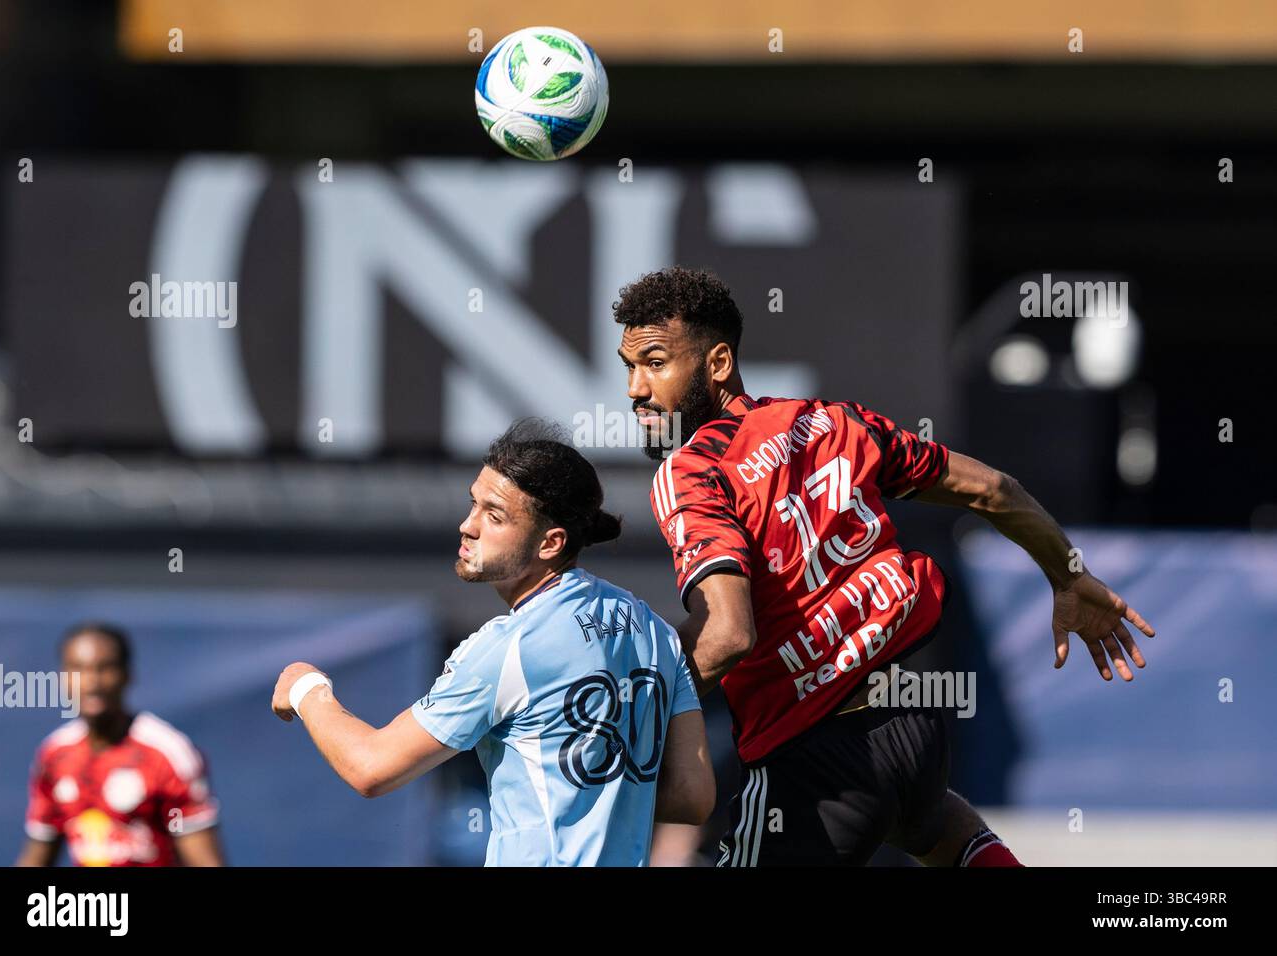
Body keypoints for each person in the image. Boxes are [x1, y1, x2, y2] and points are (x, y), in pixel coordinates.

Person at [613, 266, 1156, 867]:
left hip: (814, 757)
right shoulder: (835, 421)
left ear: (717, 364)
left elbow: (727, 634)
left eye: (655, 363)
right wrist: (1069, 576)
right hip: (915, 723)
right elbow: (994, 490)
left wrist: (628, 720)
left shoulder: (691, 471)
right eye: (629, 366)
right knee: (941, 828)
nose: (636, 387)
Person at [272, 420, 714, 866]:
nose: (468, 526)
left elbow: (370, 768)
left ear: (550, 543)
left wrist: (306, 687)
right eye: (474, 505)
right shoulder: (654, 629)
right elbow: (692, 797)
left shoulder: (509, 647)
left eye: (494, 515)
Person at [16, 623, 224, 867]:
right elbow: (37, 855)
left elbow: (205, 861)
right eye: (78, 669)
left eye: (105, 669)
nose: (91, 682)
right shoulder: (55, 754)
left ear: (127, 674)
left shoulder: (167, 753)